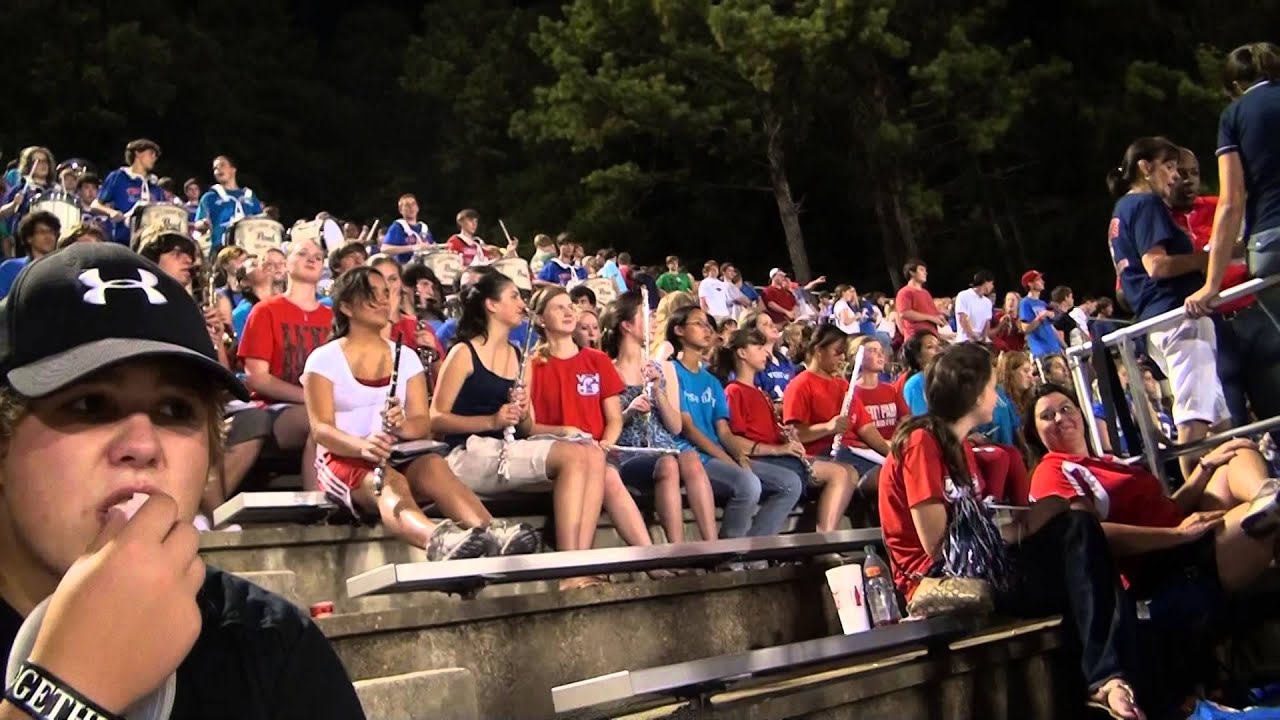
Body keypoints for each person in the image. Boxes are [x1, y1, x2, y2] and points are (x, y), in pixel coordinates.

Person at [0, 243, 364, 719]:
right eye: (88, 404)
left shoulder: (271, 645)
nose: (143, 445)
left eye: (175, 410)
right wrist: (63, 694)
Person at [878, 343, 1145, 719]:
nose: (997, 397)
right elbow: (939, 547)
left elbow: (979, 535)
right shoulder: (922, 442)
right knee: (1083, 558)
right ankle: (1110, 684)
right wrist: (1030, 522)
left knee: (1086, 546)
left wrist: (1040, 516)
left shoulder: (960, 446)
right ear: (972, 393)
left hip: (978, 568)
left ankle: (1114, 685)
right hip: (937, 580)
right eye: (991, 387)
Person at [303, 266, 538, 558]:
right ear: (346, 307)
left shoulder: (407, 357)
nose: (382, 301)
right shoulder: (323, 359)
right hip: (343, 458)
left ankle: (491, 531)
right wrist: (364, 446)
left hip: (397, 454)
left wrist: (401, 426)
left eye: (386, 293)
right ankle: (437, 540)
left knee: (434, 466)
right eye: (370, 294)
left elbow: (421, 425)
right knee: (390, 481)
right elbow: (321, 429)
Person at [428, 269, 605, 589]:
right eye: (513, 296)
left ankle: (580, 559)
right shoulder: (463, 352)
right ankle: (568, 570)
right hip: (465, 454)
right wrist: (492, 421)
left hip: (503, 451)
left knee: (592, 455)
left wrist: (520, 409)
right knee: (573, 457)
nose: (521, 303)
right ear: (491, 305)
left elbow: (525, 427)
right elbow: (436, 419)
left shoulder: (517, 355)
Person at [1027, 384, 1280, 597]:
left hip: (1184, 532)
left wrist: (1205, 466)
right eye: (1047, 416)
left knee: (1235, 452)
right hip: (1157, 562)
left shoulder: (1108, 461)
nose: (1060, 418)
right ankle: (1267, 510)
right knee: (1254, 519)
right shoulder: (1051, 472)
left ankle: (1268, 496)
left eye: (1065, 409)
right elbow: (1090, 536)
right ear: (1036, 433)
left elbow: (1167, 509)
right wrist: (1178, 534)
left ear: (1080, 414)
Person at [667, 305, 803, 540]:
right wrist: (729, 460)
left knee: (789, 482)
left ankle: (753, 549)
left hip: (718, 455)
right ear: (679, 330)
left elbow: (723, 429)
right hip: (692, 456)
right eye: (699, 324)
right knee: (748, 485)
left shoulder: (711, 381)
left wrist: (739, 456)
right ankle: (731, 554)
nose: (707, 329)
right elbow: (688, 428)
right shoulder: (673, 371)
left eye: (709, 324)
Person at [601, 290, 719, 543]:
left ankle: (712, 545)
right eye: (647, 316)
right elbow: (606, 427)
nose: (654, 323)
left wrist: (658, 390)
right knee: (668, 462)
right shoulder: (608, 369)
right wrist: (630, 411)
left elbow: (675, 427)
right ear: (626, 325)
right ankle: (675, 549)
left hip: (663, 447)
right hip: (629, 451)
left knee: (688, 457)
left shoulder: (663, 368)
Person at [721, 328, 857, 531]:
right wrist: (780, 449)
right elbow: (737, 440)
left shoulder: (761, 394)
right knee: (837, 474)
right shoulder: (734, 391)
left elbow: (772, 433)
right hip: (763, 459)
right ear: (742, 353)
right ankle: (822, 539)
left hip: (777, 457)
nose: (766, 353)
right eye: (759, 348)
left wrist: (787, 437)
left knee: (847, 471)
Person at [92, 139, 165, 245]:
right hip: (122, 240)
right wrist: (112, 212)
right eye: (151, 154)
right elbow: (95, 204)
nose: (154, 158)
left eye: (156, 155)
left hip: (148, 243)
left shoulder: (154, 185)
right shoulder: (118, 177)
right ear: (138, 153)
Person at [195, 155, 264, 255]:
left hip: (248, 250)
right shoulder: (209, 197)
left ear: (233, 169)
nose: (218, 169)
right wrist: (203, 224)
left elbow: (261, 221)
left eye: (222, 165)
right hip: (220, 250)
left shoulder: (249, 196)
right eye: (215, 168)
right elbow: (198, 223)